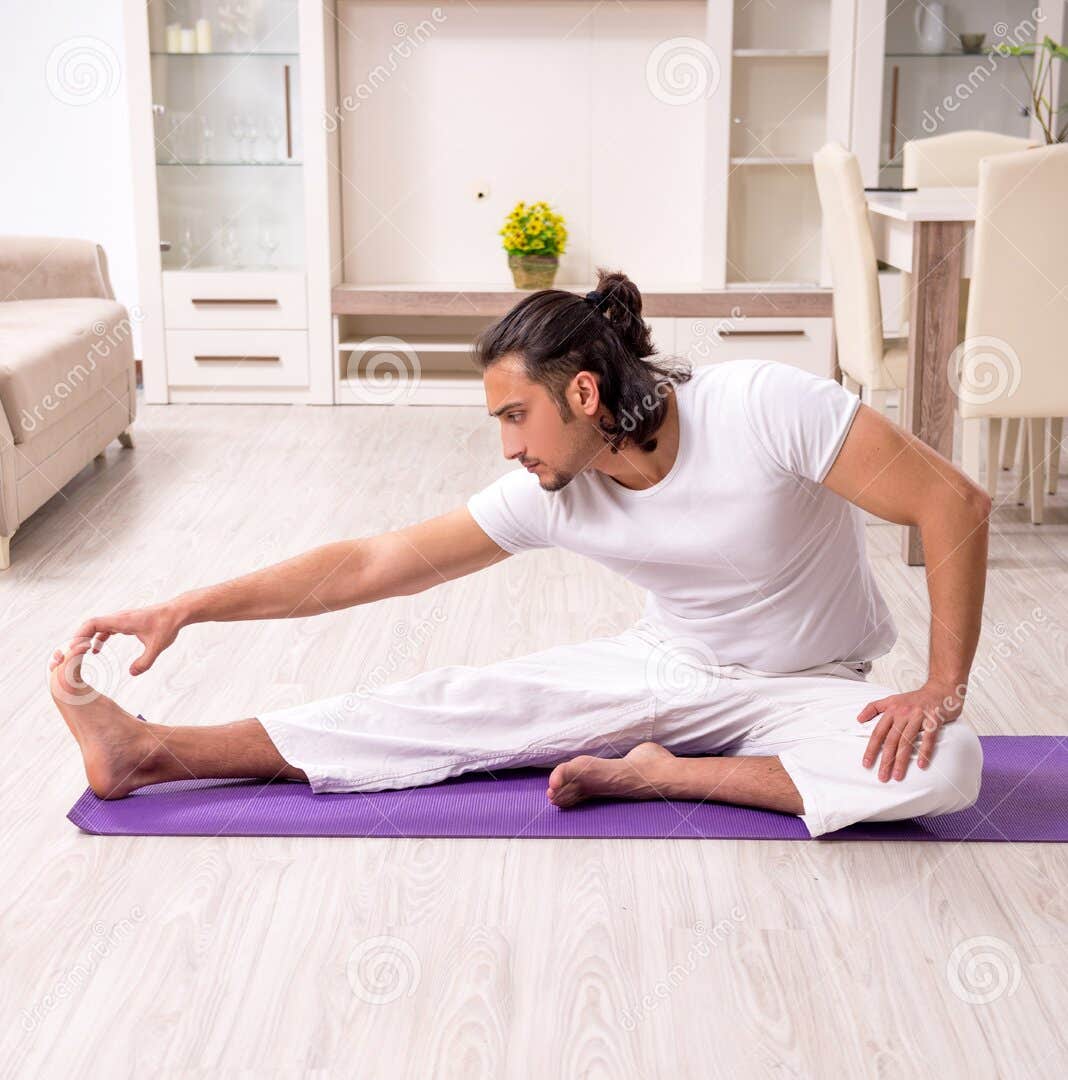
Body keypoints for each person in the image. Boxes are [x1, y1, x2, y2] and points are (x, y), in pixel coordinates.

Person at [50, 269, 989, 838]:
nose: (506, 445)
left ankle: (664, 775)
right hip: (668, 669)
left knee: (949, 766)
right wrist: (187, 605)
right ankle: (151, 752)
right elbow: (372, 563)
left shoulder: (761, 406)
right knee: (454, 708)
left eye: (514, 415)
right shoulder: (554, 488)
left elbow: (952, 502)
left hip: (815, 683)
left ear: (582, 393)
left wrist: (940, 685)